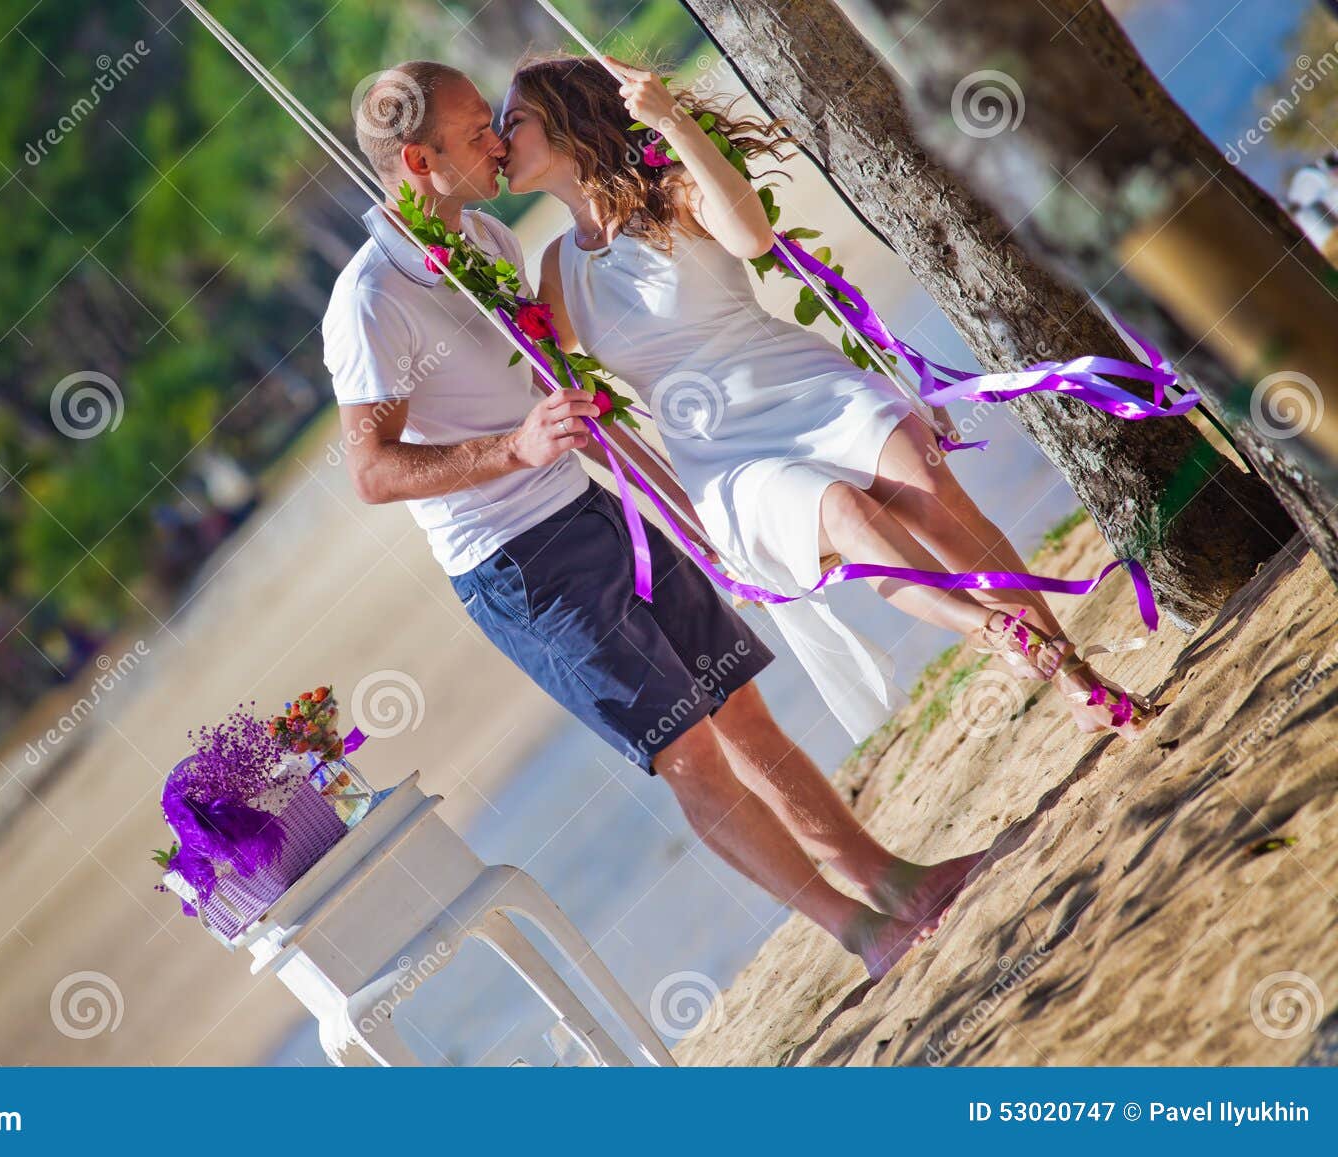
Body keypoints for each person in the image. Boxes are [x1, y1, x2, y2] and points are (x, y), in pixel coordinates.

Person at [322, 60, 984, 980]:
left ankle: (897, 885)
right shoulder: (368, 299)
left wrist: (679, 502)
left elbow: (573, 406)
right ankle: (857, 931)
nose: (497, 139)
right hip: (518, 567)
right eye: (479, 129)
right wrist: (511, 451)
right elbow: (370, 468)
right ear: (420, 161)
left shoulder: (488, 243)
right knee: (690, 752)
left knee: (741, 705)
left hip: (590, 512)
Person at [501, 53, 1157, 742]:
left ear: (570, 123)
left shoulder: (670, 194)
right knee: (843, 512)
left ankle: (1077, 678)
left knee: (931, 493)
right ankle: (995, 630)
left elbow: (751, 236)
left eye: (513, 121)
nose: (499, 137)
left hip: (801, 385)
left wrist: (671, 120)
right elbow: (555, 391)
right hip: (724, 456)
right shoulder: (556, 271)